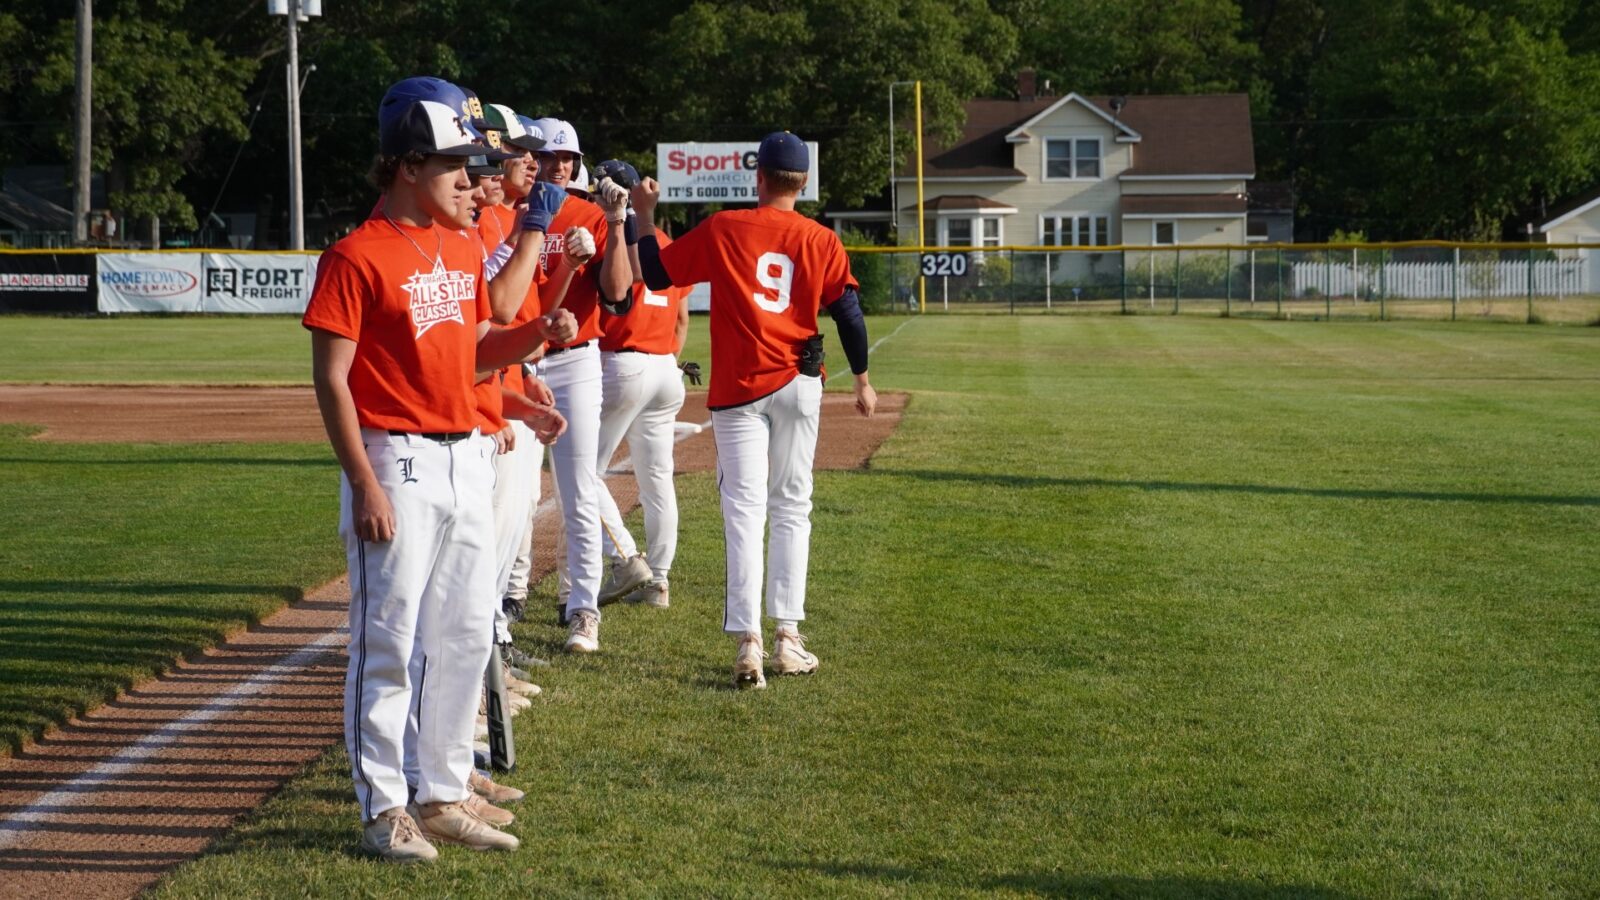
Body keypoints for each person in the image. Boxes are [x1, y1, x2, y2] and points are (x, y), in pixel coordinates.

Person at [303, 84, 576, 861]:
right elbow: (330, 379)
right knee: (386, 641)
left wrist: (530, 335)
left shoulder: (459, 248)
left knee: (459, 635)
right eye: (457, 163)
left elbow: (473, 352)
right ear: (408, 165)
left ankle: (445, 790)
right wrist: (363, 482)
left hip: (466, 453)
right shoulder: (355, 255)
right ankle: (383, 806)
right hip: (397, 457)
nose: (472, 178)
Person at [631, 132, 876, 689]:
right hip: (799, 381)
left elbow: (658, 274)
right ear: (804, 183)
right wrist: (861, 379)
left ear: (758, 177)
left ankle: (749, 643)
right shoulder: (820, 237)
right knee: (792, 505)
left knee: (743, 511)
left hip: (740, 387)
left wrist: (646, 218)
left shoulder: (725, 226)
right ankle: (788, 636)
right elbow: (850, 314)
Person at [524, 117, 645, 653]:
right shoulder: (511, 213)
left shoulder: (588, 215)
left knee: (577, 488)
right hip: (520, 360)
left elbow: (618, 295)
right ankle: (507, 597)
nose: (559, 166)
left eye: (567, 158)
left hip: (575, 362)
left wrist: (616, 225)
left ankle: (584, 610)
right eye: (549, 158)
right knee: (515, 492)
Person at [594, 196, 691, 610]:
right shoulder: (663, 239)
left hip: (623, 362)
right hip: (666, 367)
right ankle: (660, 583)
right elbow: (683, 318)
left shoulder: (609, 235)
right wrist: (667, 359)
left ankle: (628, 558)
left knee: (579, 471)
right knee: (658, 480)